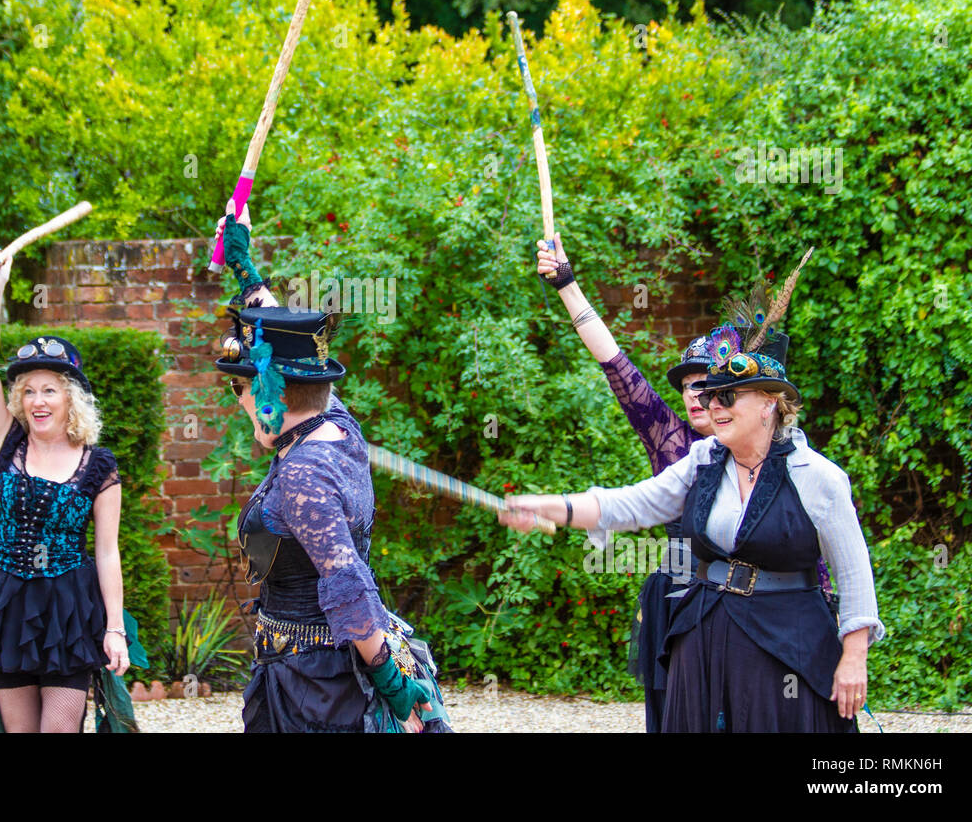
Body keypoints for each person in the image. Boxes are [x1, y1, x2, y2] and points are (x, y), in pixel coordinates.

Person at [501, 296, 884, 731]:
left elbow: (853, 574)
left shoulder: (818, 477)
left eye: (727, 395)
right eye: (708, 394)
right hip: (703, 635)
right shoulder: (703, 459)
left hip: (787, 643)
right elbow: (633, 503)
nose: (713, 405)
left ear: (769, 403)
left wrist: (854, 658)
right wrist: (552, 505)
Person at [215, 202, 446, 733]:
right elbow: (290, 340)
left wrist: (395, 688)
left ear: (271, 392)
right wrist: (242, 261)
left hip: (319, 688)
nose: (239, 401)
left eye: (240, 388)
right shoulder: (334, 420)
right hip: (309, 668)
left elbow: (346, 582)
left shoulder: (304, 473)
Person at [535, 230, 712, 732]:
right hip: (679, 591)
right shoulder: (668, 437)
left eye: (708, 385)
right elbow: (614, 362)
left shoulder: (766, 453)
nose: (696, 396)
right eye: (688, 386)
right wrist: (568, 283)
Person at [0, 251, 131, 732]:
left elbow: (108, 552)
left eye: (50, 389)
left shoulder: (99, 467)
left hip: (69, 608)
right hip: (6, 600)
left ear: (70, 398)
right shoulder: (5, 442)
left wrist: (115, 629)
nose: (37, 400)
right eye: (29, 390)